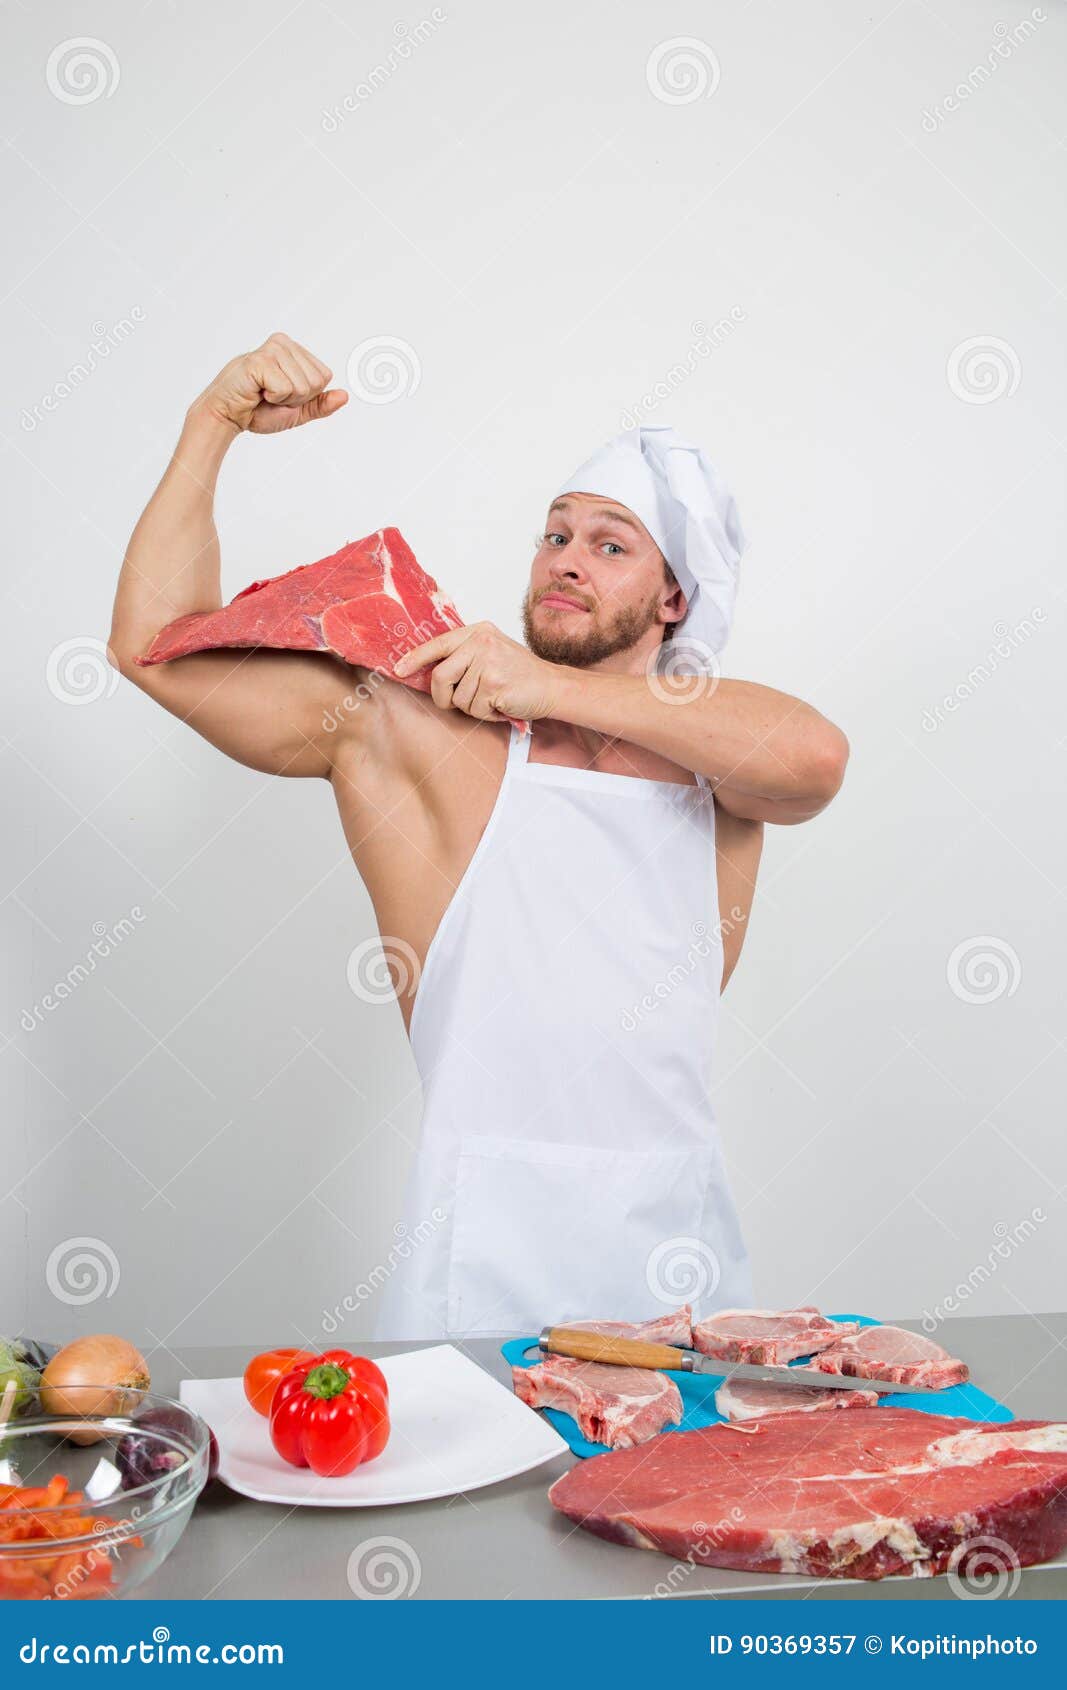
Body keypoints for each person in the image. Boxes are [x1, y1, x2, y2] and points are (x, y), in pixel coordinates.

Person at [109, 332, 848, 1339]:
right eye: (554, 535)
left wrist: (542, 683)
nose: (566, 562)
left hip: (684, 1271)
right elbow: (155, 650)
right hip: (479, 1281)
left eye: (609, 543)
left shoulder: (717, 771)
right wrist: (211, 427)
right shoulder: (426, 740)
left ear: (673, 599)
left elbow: (814, 759)